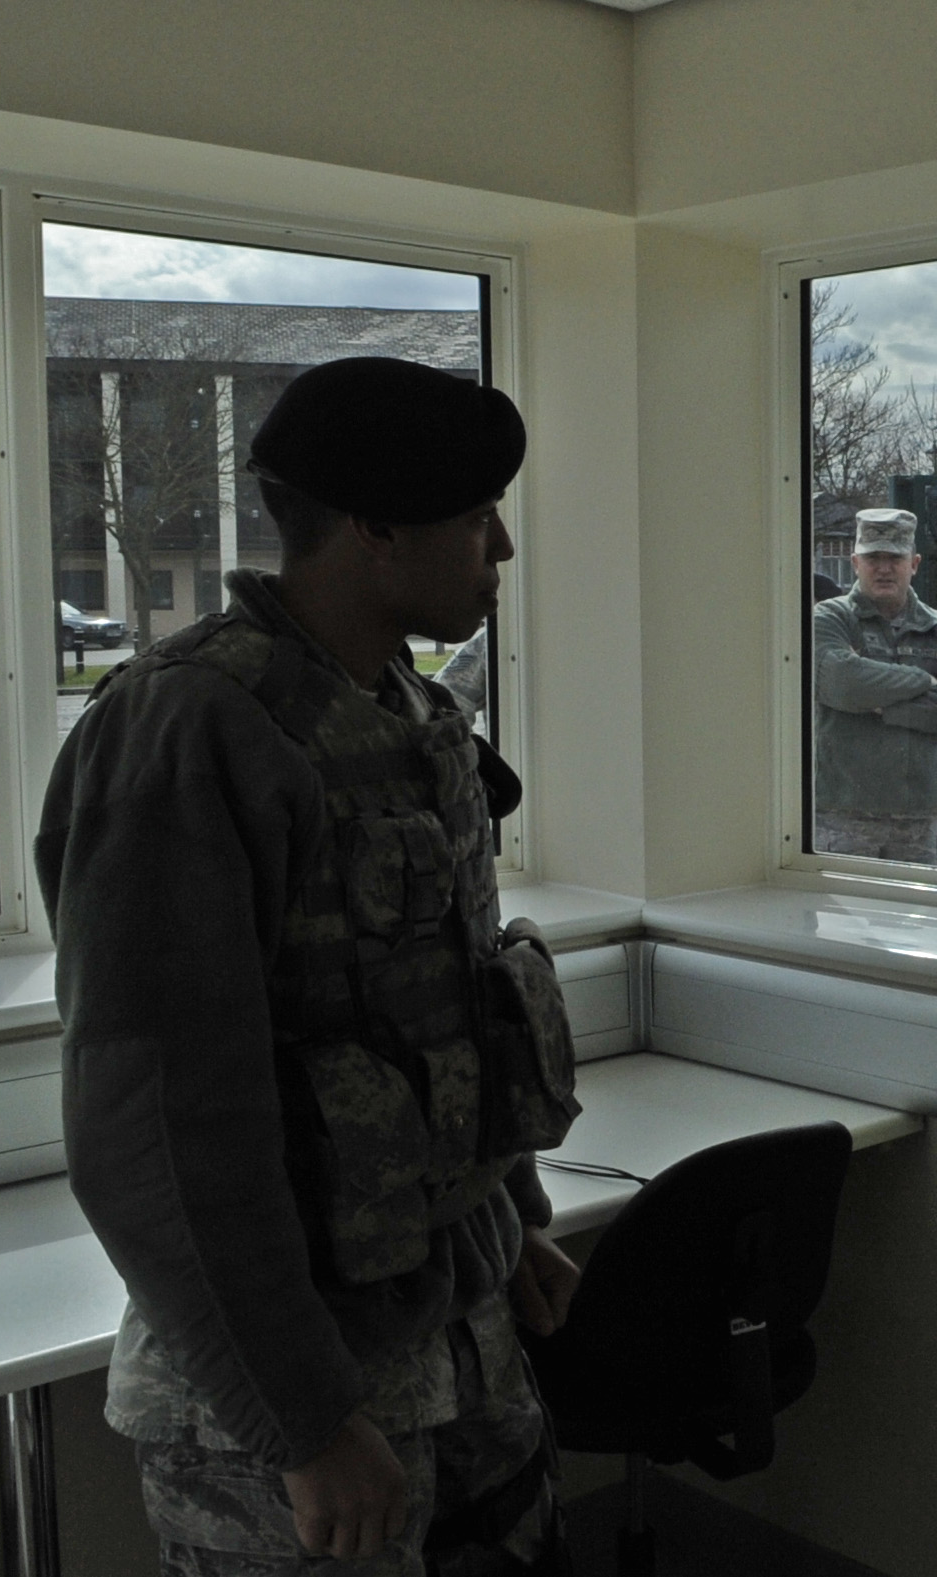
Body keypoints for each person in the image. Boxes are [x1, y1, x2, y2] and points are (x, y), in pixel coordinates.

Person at [40, 356, 585, 1574]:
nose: (499, 546)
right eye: (472, 515)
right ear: (372, 527)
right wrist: (303, 1417)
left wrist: (508, 1217)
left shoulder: (410, 711)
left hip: (463, 1336)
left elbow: (445, 1012)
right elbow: (160, 1125)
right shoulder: (193, 727)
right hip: (301, 1401)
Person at [812, 507, 937, 863]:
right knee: (844, 918)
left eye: (895, 558)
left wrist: (879, 703)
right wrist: (923, 680)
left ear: (914, 563)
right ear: (855, 562)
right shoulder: (829, 618)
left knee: (915, 919)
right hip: (842, 815)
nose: (884, 568)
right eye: (874, 557)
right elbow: (841, 682)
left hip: (919, 818)